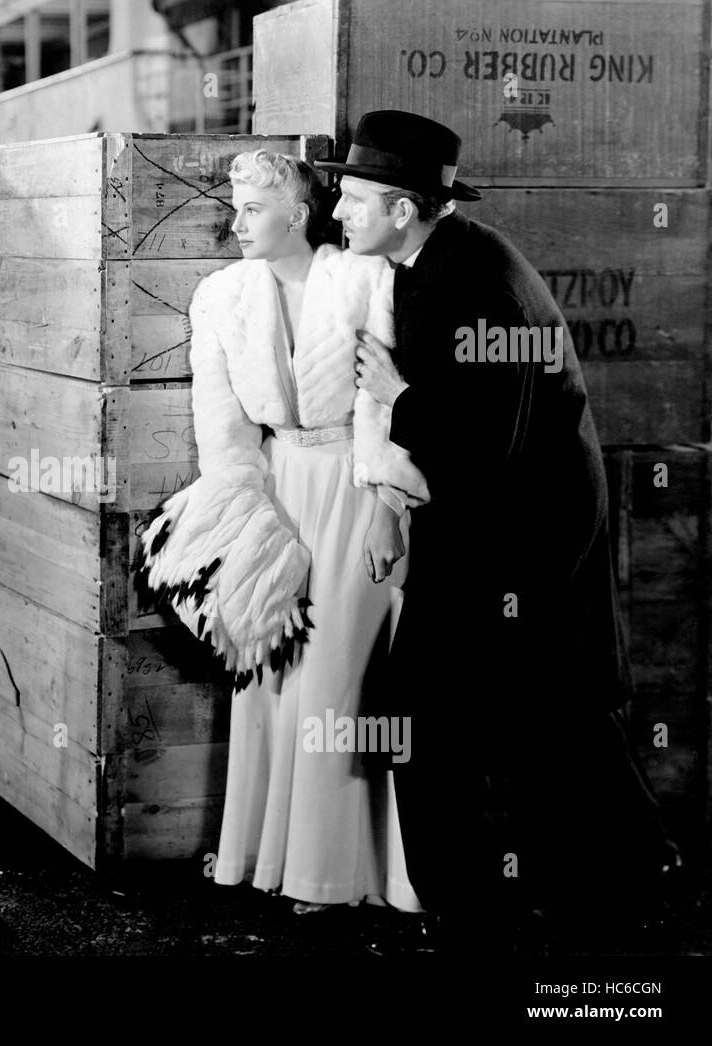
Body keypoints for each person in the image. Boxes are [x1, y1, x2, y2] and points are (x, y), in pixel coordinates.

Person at [321, 109, 679, 949]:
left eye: (353, 198)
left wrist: (402, 395)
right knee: (547, 706)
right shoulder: (432, 259)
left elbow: (489, 440)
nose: (336, 213)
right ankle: (600, 877)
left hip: (524, 532)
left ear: (404, 208)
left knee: (478, 707)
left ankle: (486, 901)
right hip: (503, 518)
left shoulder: (469, 282)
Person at [135, 151, 430, 914]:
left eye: (250, 209)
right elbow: (222, 425)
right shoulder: (221, 296)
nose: (234, 224)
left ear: (296, 214)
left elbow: (386, 408)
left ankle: (355, 873)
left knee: (344, 676)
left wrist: (386, 510)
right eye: (233, 207)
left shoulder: (366, 281)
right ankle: (283, 863)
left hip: (355, 484)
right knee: (277, 677)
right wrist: (245, 528)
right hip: (275, 489)